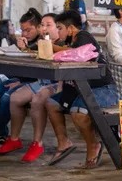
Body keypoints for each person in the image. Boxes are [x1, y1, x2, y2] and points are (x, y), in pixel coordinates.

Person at [43, 10, 117, 169]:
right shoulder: (69, 41)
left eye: (60, 27)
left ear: (70, 29)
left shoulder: (84, 37)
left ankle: (93, 145)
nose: (58, 31)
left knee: (77, 112)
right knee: (51, 103)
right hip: (82, 90)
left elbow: (74, 54)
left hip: (105, 89)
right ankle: (64, 143)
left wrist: (51, 47)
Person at [0, 9, 48, 161]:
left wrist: (25, 50)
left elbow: (42, 68)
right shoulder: (28, 42)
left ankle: (3, 136)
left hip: (37, 82)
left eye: (28, 30)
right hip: (22, 79)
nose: (24, 33)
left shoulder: (48, 43)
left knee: (7, 97)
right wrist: (19, 49)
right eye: (22, 30)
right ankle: (2, 134)